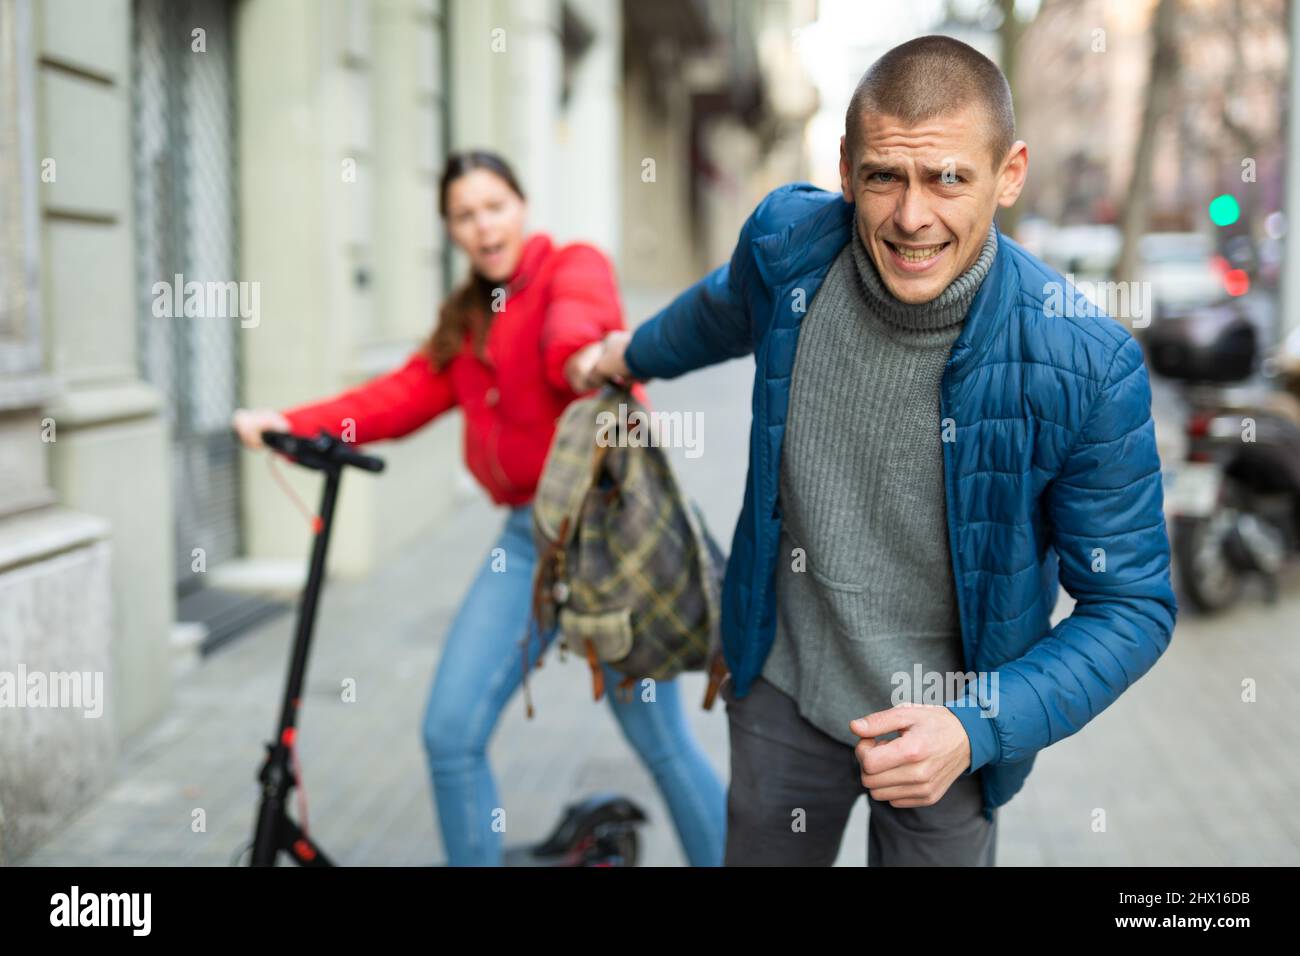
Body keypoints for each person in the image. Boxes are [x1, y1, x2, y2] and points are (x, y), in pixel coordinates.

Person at [582, 35, 1177, 866]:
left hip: (951, 729)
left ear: (1009, 174)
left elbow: (1132, 607)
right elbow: (720, 310)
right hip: (784, 690)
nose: (911, 215)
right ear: (847, 168)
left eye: (948, 179)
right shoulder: (789, 246)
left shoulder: (1083, 363)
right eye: (884, 176)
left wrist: (977, 728)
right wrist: (629, 355)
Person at [233, 150, 725, 867]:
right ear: (451, 230)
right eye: (465, 215)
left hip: (607, 535)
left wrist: (586, 359)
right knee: (450, 732)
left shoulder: (572, 264)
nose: (483, 225)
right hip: (526, 539)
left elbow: (575, 329)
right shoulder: (467, 321)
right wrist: (289, 423)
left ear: (521, 206)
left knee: (661, 740)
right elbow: (397, 397)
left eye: (495, 206)